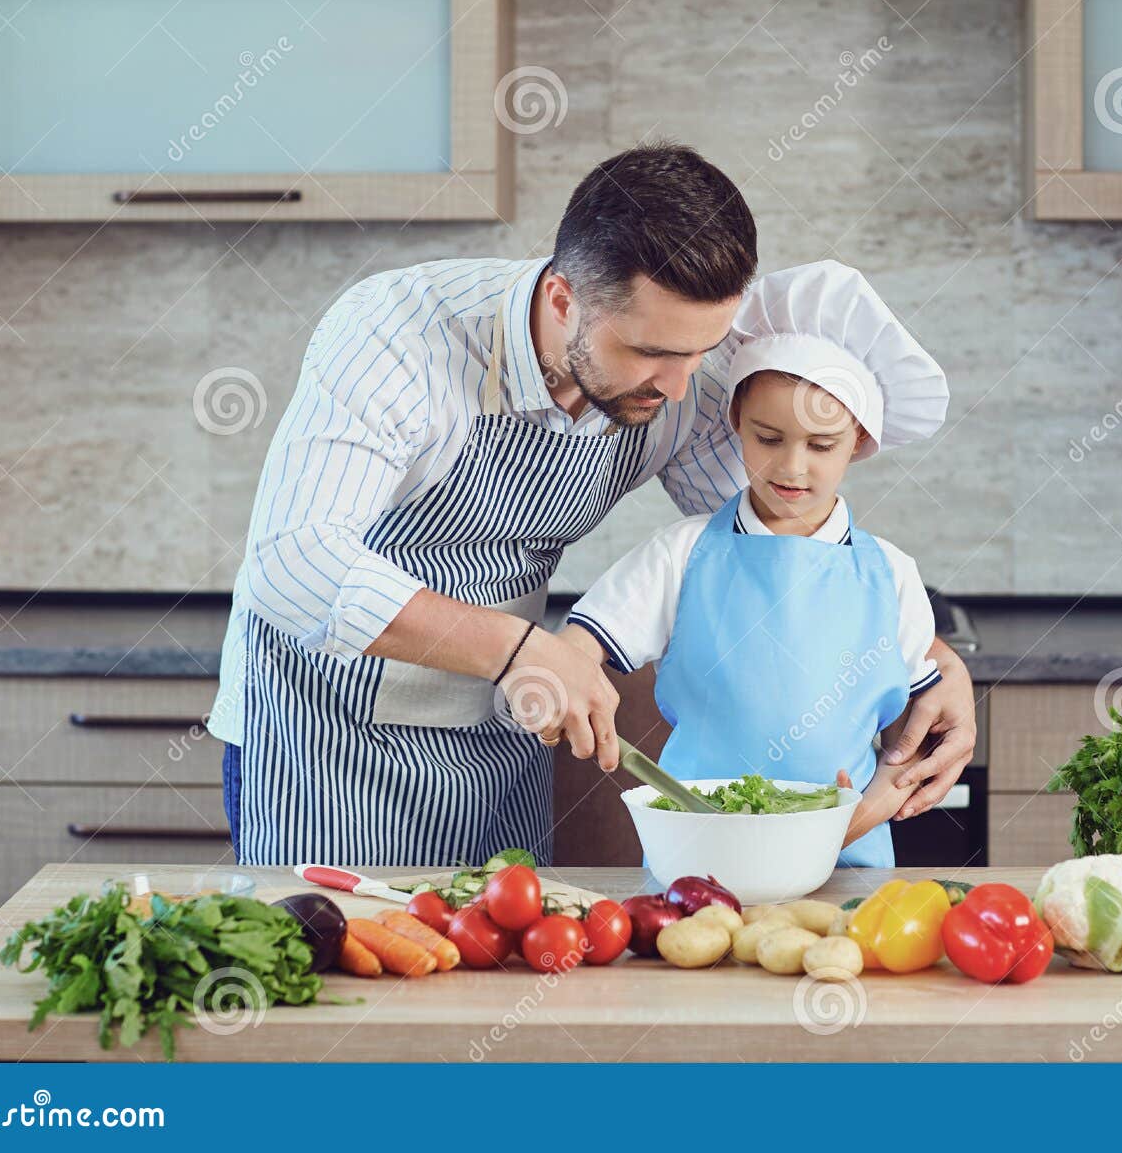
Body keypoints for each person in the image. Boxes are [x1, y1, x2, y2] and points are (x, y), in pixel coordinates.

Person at [208, 143, 976, 867]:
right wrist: (519, 648)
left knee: (489, 971)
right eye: (651, 353)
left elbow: (779, 551)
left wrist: (937, 666)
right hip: (321, 732)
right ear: (563, 298)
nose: (681, 388)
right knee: (335, 982)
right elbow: (292, 562)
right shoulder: (399, 333)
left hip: (504, 726)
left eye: (700, 352)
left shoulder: (677, 379)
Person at [562, 261, 949, 865]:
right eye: (769, 438)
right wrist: (562, 688)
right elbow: (578, 649)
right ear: (736, 422)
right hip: (697, 852)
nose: (793, 467)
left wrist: (854, 819)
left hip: (846, 858)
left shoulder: (891, 575)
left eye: (821, 446)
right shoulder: (681, 555)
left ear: (861, 442)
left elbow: (916, 738)